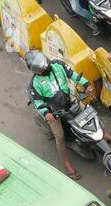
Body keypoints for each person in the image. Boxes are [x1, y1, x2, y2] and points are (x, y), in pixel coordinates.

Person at [25, 51, 91, 181]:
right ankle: (67, 164)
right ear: (36, 72)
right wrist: (46, 113)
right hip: (54, 111)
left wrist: (86, 84)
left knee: (88, 111)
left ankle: (104, 134)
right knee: (59, 136)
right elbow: (37, 102)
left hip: (68, 100)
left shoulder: (58, 65)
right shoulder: (34, 84)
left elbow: (73, 75)